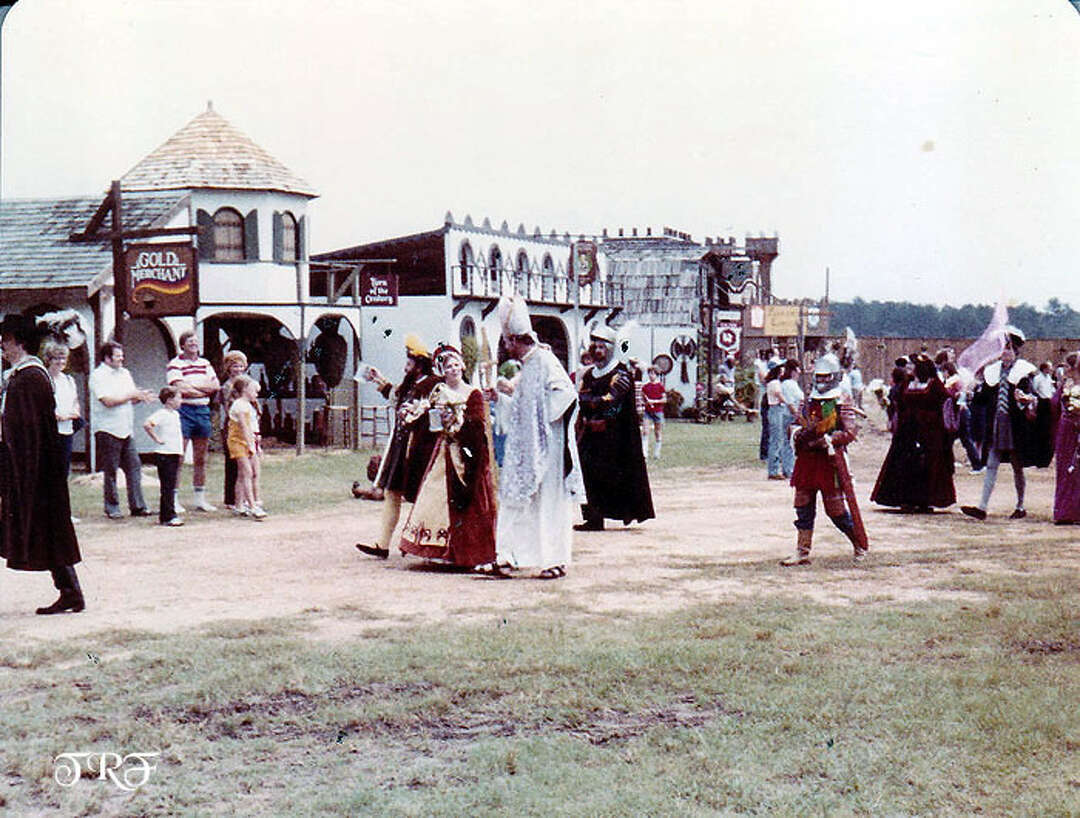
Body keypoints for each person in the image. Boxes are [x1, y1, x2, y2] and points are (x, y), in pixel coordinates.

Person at [478, 294, 584, 579]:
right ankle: (508, 557)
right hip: (525, 448)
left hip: (549, 446)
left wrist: (540, 417)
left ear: (515, 339)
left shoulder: (546, 361)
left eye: (506, 341)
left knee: (550, 502)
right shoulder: (527, 366)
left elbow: (566, 394)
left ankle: (555, 561)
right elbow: (522, 405)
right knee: (516, 498)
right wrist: (501, 398)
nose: (505, 347)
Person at [0, 314, 84, 614]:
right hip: (27, 464)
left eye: (6, 340)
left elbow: (29, 431)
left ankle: (71, 592)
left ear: (19, 343)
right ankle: (70, 591)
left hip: (33, 466)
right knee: (48, 528)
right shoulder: (21, 376)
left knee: (49, 527)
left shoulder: (30, 378)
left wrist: (22, 472)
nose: (2, 346)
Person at [399, 344, 496, 567]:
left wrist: (457, 423)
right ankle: (437, 547)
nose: (453, 369)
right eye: (448, 366)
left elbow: (476, 424)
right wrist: (417, 414)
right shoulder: (439, 392)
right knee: (435, 493)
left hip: (466, 453)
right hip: (444, 449)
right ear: (442, 371)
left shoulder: (472, 393)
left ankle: (464, 551)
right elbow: (429, 416)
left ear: (462, 366)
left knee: (466, 497)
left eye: (455, 365)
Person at [355, 334, 440, 559]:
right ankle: (382, 544)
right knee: (392, 493)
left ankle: (426, 544)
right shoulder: (410, 385)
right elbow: (395, 396)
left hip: (420, 450)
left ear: (419, 365)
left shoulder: (433, 385)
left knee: (422, 497)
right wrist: (378, 379)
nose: (405, 367)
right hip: (401, 448)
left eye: (409, 363)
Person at [780, 355, 866, 566]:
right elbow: (796, 423)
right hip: (807, 460)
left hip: (830, 461)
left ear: (834, 377)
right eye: (818, 377)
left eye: (826, 377)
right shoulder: (807, 400)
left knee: (836, 510)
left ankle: (858, 544)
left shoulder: (842, 400)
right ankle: (802, 551)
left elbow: (850, 432)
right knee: (803, 507)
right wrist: (799, 434)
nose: (822, 381)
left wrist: (827, 439)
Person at [961, 326, 1050, 521]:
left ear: (1016, 351)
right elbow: (984, 399)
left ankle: (1020, 505)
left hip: (1015, 426)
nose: (1005, 353)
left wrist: (1025, 398)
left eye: (1008, 349)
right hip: (996, 424)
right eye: (1002, 349)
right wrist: (972, 393)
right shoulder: (992, 372)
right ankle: (982, 507)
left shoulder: (1023, 372)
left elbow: (1032, 396)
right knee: (991, 464)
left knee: (1017, 466)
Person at [574, 324, 654, 531]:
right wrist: (591, 404)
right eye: (595, 347)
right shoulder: (590, 375)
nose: (598, 351)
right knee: (586, 473)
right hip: (590, 434)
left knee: (611, 475)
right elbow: (582, 397)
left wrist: (594, 404)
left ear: (610, 349)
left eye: (602, 347)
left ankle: (618, 512)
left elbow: (611, 401)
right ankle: (593, 517)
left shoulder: (621, 374)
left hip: (615, 437)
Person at [870, 355, 956, 511]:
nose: (909, 367)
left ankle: (925, 500)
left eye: (912, 364)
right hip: (907, 431)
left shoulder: (933, 384)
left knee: (925, 465)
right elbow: (899, 402)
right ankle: (905, 499)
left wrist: (927, 418)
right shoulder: (907, 383)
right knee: (905, 464)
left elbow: (944, 403)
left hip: (928, 432)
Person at [89, 340, 154, 519]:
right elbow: (107, 401)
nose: (121, 359)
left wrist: (140, 396)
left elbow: (131, 398)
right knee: (110, 470)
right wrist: (130, 395)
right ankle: (112, 507)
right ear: (107, 358)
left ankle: (138, 506)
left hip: (126, 428)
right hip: (107, 428)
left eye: (121, 355)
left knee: (134, 467)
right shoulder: (98, 375)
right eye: (117, 356)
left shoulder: (125, 373)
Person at [166, 330, 220, 512]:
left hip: (202, 411)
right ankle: (173, 499)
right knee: (179, 456)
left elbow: (215, 385)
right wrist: (201, 390)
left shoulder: (205, 363)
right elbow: (179, 388)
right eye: (190, 342)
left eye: (195, 342)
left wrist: (192, 387)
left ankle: (200, 499)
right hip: (184, 410)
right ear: (182, 345)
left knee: (201, 457)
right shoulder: (175, 364)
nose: (194, 345)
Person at [143, 386, 185, 526]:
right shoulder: (162, 414)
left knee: (171, 485)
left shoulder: (175, 414)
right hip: (165, 454)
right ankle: (169, 515)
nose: (181, 401)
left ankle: (166, 514)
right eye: (178, 398)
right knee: (167, 486)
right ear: (169, 400)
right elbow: (147, 424)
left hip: (174, 452)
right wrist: (157, 439)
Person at [228, 375, 266, 519]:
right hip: (239, 442)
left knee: (245, 473)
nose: (256, 394)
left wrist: (256, 445)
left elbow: (252, 428)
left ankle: (239, 505)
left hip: (249, 441)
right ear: (245, 390)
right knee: (247, 472)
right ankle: (252, 506)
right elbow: (244, 427)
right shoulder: (240, 405)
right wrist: (251, 446)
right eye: (253, 390)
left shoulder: (248, 405)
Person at [43, 340, 80, 480]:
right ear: (49, 359)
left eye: (63, 358)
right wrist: (56, 416)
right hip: (50, 432)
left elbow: (75, 404)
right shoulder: (44, 379)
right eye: (57, 358)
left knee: (63, 472)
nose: (61, 362)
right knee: (49, 471)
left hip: (67, 431)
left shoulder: (69, 380)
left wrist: (70, 415)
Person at [1051, 351, 1080, 524]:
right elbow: (1053, 404)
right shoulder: (1065, 386)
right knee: (1064, 470)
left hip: (1076, 430)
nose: (1065, 369)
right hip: (1065, 432)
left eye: (1068, 366)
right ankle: (1064, 511)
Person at [217, 350, 249, 510]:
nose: (238, 369)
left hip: (247, 424)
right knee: (232, 463)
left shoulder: (248, 383)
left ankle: (245, 496)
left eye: (241, 366)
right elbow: (228, 408)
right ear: (228, 368)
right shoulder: (226, 386)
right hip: (232, 425)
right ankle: (231, 498)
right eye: (235, 366)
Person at [641, 366, 666, 460]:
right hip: (647, 412)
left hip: (658, 412)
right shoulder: (645, 387)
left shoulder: (660, 386)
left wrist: (654, 401)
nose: (651, 375)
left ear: (657, 375)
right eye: (650, 373)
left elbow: (664, 400)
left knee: (657, 432)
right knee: (645, 431)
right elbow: (643, 399)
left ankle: (657, 453)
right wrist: (645, 402)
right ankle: (644, 453)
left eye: (653, 374)